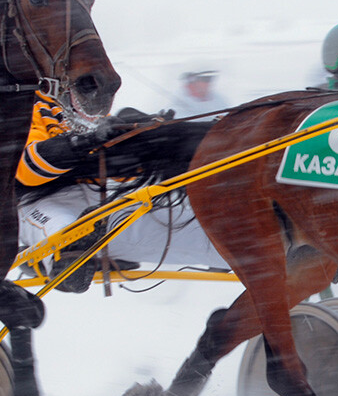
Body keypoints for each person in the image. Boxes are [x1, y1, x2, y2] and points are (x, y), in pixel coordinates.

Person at [16, 88, 228, 293]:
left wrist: (151, 136)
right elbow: (28, 170)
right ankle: (66, 261)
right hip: (41, 199)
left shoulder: (85, 107)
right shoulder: (27, 106)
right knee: (64, 227)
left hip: (110, 202)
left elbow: (116, 161)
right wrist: (87, 141)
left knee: (227, 241)